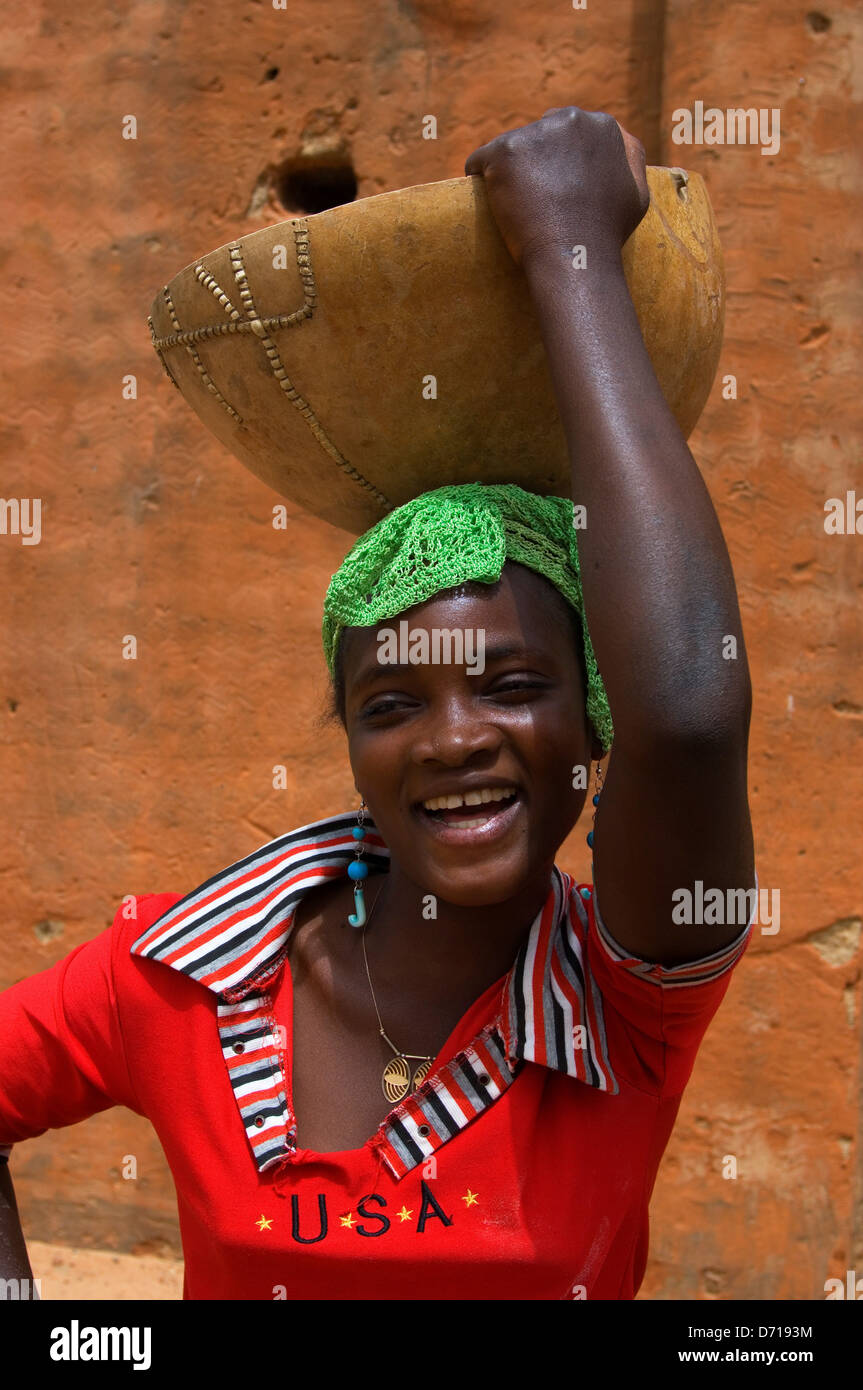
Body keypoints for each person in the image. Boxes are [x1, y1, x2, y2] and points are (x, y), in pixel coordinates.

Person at [0, 106, 754, 1301]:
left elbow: (694, 722)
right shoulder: (188, 974)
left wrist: (570, 246)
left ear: (594, 720)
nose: (455, 739)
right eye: (391, 702)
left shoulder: (618, 1007)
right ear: (350, 742)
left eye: (512, 686)